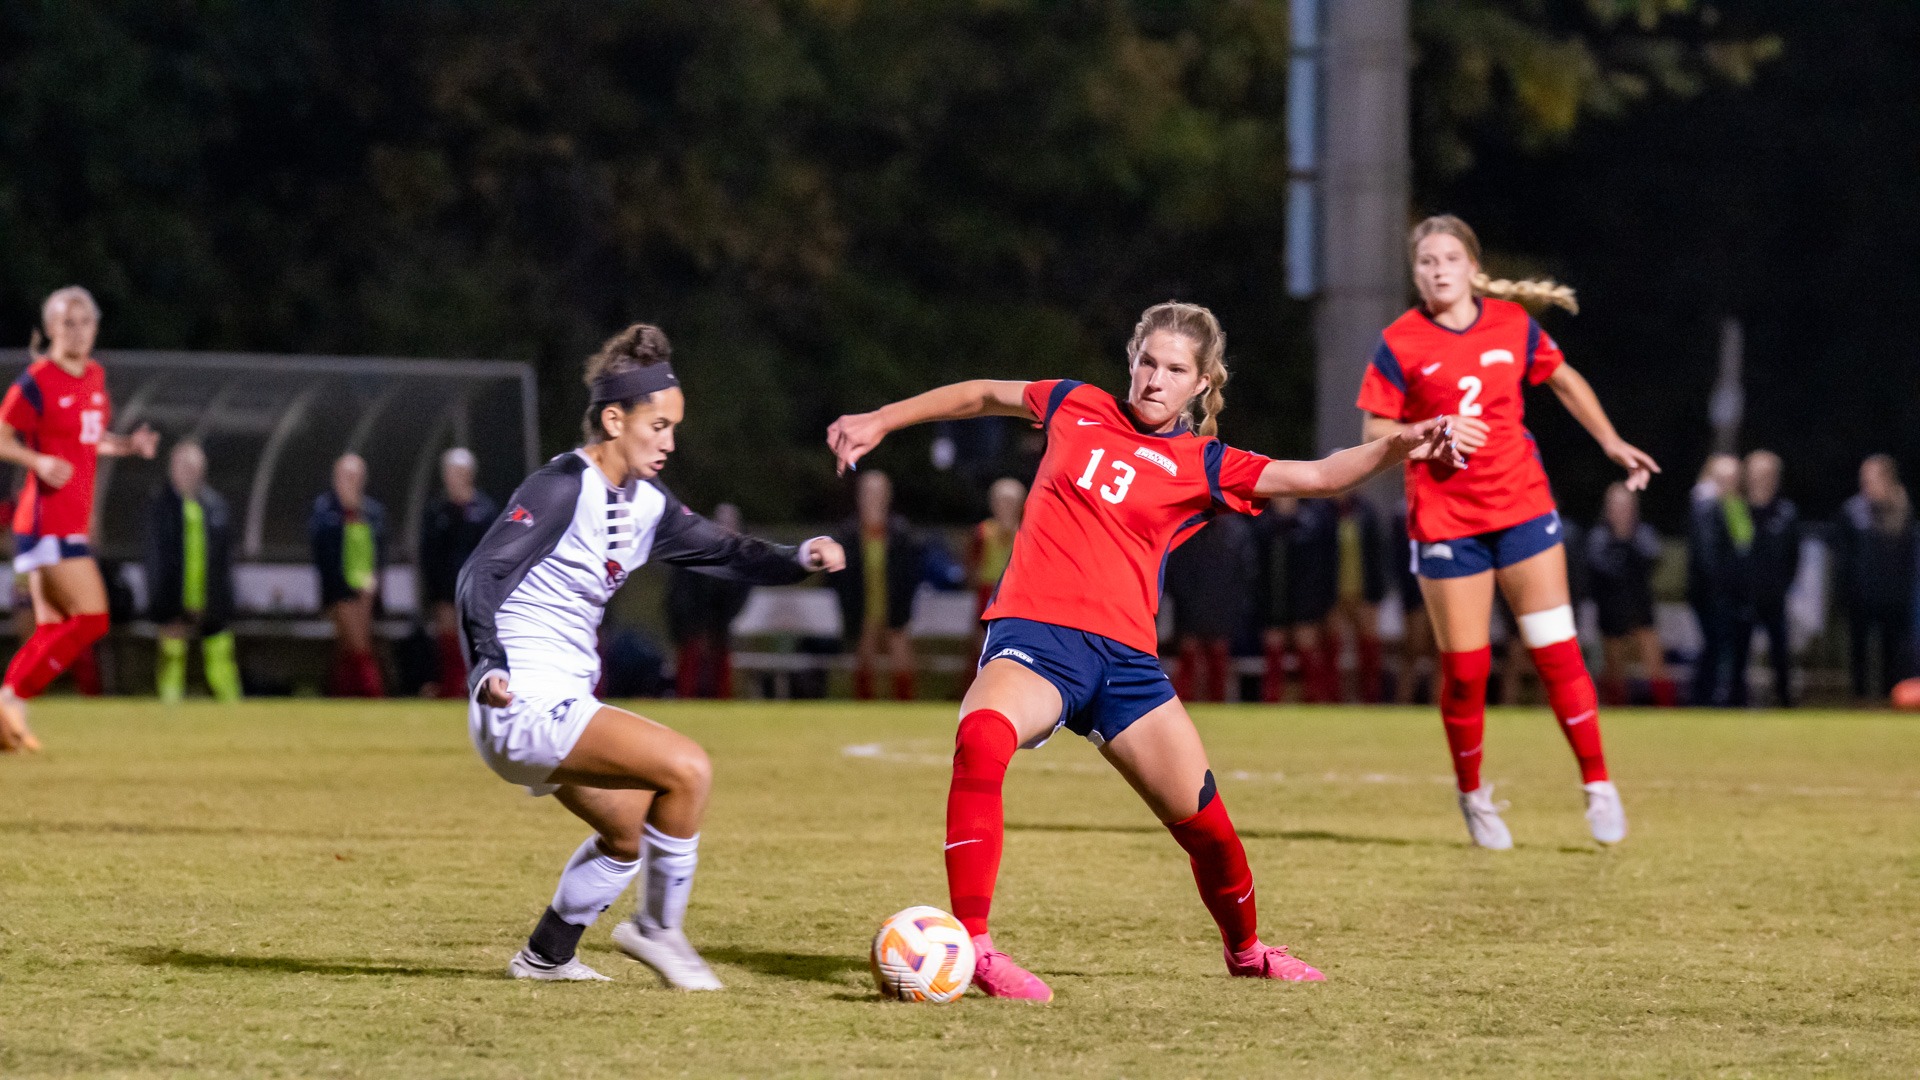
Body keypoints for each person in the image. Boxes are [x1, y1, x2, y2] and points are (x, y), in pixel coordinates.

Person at [827, 300, 1459, 996]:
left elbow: (1318, 475)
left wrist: (1400, 445)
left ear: (1201, 384)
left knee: (1210, 830)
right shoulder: (1077, 405)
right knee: (981, 737)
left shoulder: (1205, 463)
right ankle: (975, 947)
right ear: (1132, 362)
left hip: (1126, 666)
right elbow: (981, 393)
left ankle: (1247, 953)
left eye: (1176, 370)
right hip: (1036, 636)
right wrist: (881, 419)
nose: (1157, 379)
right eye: (1148, 362)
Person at [459, 323, 844, 984]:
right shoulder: (560, 486)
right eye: (658, 426)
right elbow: (481, 574)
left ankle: (546, 957)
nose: (668, 442)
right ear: (614, 418)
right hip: (522, 698)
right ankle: (657, 929)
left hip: (561, 700)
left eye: (673, 429)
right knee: (688, 770)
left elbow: (724, 550)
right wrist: (488, 660)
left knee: (630, 829)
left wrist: (795, 558)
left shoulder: (645, 503)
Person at [1356, 215, 1657, 850]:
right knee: (1467, 671)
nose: (1437, 270)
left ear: (1471, 266)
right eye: (1426, 262)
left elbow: (1565, 381)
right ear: (1416, 274)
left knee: (1557, 651)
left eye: (1448, 259)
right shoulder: (1400, 341)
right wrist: (1429, 432)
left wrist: (1611, 442)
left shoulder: (1511, 325)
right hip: (1445, 520)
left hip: (1520, 508)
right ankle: (1473, 795)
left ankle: (1598, 783)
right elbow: (1374, 435)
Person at [0, 286, 158, 750]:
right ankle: (9, 696)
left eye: (85, 321)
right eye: (67, 322)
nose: (78, 330)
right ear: (51, 328)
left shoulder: (93, 377)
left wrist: (126, 445)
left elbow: (89, 438)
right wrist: (38, 463)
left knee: (53, 629)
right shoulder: (37, 379)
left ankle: (11, 723)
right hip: (45, 520)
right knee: (92, 620)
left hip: (68, 522)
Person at [145, 442, 240, 703]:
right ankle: (169, 711)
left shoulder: (215, 506)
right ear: (172, 469)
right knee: (172, 656)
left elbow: (225, 559)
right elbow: (154, 558)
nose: (189, 473)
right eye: (184, 467)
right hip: (172, 595)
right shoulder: (161, 506)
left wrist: (224, 599)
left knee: (220, 656)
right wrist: (160, 599)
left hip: (211, 597)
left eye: (194, 468)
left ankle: (232, 709)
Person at [828, 470, 922, 701]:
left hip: (894, 602)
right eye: (868, 493)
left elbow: (911, 571)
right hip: (862, 604)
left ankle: (905, 704)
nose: (873, 498)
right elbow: (837, 576)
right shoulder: (848, 534)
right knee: (864, 653)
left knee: (900, 651)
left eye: (878, 493)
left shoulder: (900, 532)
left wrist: (905, 604)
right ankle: (864, 703)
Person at [1586, 482, 1676, 707]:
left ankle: (1667, 708)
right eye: (1616, 506)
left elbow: (1652, 560)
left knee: (1655, 663)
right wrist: (1625, 557)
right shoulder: (1599, 536)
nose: (1621, 511)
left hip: (1640, 608)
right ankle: (1617, 708)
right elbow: (1601, 569)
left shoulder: (1644, 534)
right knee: (1614, 667)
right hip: (1611, 610)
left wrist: (1626, 547)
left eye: (1626, 506)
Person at [1835, 454, 1916, 702]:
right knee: (1859, 653)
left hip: (1894, 598)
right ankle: (1859, 700)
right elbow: (1844, 558)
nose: (1866, 483)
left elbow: (1909, 557)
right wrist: (1843, 595)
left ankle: (1890, 700)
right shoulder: (1852, 511)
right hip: (1861, 597)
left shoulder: (1902, 509)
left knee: (1892, 655)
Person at [419, 448, 498, 698]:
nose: (453, 478)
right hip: (445, 589)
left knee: (476, 640)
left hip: (477, 591)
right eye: (450, 473)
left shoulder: (485, 511)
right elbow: (428, 554)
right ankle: (452, 688)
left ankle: (476, 686)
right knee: (449, 638)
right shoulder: (436, 512)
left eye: (458, 473)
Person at [310, 453, 387, 697]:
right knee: (355, 645)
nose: (351, 482)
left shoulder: (373, 512)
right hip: (338, 589)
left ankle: (350, 695)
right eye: (346, 476)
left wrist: (373, 582)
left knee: (354, 646)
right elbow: (322, 551)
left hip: (365, 587)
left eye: (355, 477)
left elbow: (380, 552)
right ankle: (371, 693)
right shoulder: (325, 511)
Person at [1163, 515, 1257, 703]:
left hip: (1221, 612)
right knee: (1189, 665)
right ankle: (1183, 704)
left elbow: (1246, 575)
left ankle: (1216, 703)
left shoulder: (1236, 531)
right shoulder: (1186, 528)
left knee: (1218, 666)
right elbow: (1175, 573)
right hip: (1190, 611)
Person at [666, 502, 754, 699]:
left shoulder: (738, 558)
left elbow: (737, 598)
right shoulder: (696, 552)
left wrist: (718, 625)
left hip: (719, 624)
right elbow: (684, 594)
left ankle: (720, 700)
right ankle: (687, 699)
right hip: (692, 622)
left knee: (720, 667)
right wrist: (696, 627)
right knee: (691, 666)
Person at [1736, 450, 1800, 707]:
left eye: (1769, 475)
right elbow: (1733, 554)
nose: (1764, 479)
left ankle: (1785, 702)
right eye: (1758, 474)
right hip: (1743, 597)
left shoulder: (1786, 512)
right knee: (1738, 654)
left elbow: (1793, 556)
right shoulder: (1737, 509)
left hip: (1775, 596)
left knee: (1781, 654)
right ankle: (1735, 702)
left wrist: (1783, 586)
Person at [1686, 454, 1747, 706]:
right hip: (1710, 593)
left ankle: (1718, 697)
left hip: (1727, 592)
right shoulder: (1706, 503)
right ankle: (1704, 699)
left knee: (1721, 646)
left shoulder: (1732, 504)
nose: (1729, 482)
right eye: (1724, 477)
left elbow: (1744, 544)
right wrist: (1724, 588)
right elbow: (1708, 555)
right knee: (1715, 645)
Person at [961, 478, 1025, 694]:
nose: (1005, 507)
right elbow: (971, 565)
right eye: (1001, 502)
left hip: (1017, 597)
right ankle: (973, 691)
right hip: (988, 594)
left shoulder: (1025, 532)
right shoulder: (983, 532)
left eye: (1010, 502)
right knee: (980, 644)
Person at [1389, 499, 1436, 704]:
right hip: (1416, 592)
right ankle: (1403, 703)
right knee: (1412, 651)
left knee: (1444, 653)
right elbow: (1403, 562)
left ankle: (1440, 704)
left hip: (1444, 586)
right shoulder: (1404, 512)